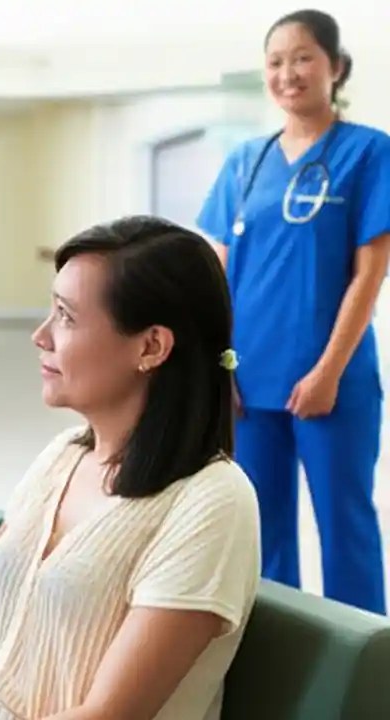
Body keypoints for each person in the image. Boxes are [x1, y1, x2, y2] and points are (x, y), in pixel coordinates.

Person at [0, 217, 261, 720]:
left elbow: (108, 714)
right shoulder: (63, 457)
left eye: (66, 316)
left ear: (151, 347)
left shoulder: (213, 503)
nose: (40, 335)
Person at [196, 9, 390, 615]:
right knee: (261, 532)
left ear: (335, 66)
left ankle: (366, 669)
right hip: (250, 384)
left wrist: (329, 371)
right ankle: (286, 666)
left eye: (303, 57)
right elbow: (218, 274)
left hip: (330, 382)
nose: (288, 73)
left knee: (345, 526)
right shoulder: (245, 161)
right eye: (275, 62)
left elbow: (369, 273)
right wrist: (221, 368)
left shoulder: (369, 152)